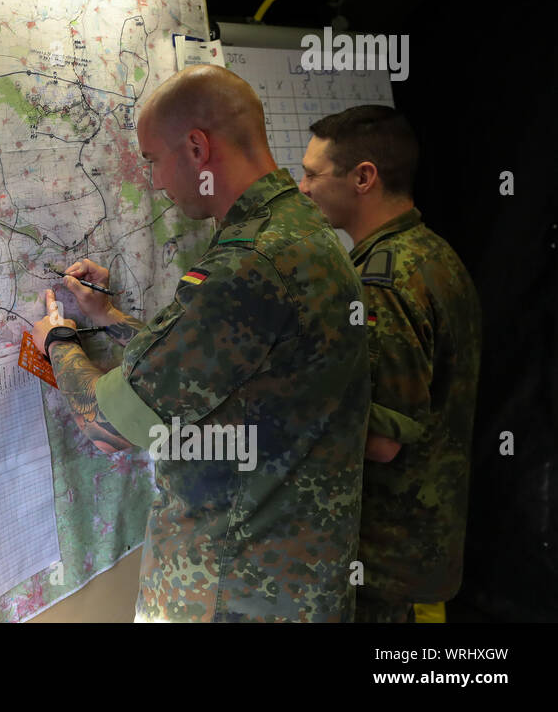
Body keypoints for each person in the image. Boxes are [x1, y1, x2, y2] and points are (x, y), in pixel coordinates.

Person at [31, 64, 369, 622]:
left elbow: (105, 426)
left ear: (196, 148)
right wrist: (109, 316)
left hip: (234, 591)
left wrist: (57, 340)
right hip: (296, 582)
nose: (155, 182)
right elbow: (224, 368)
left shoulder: (249, 265)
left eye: (153, 160)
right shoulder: (299, 230)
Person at [300, 105, 482, 623]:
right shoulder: (432, 253)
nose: (303, 187)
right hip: (419, 554)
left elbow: (381, 440)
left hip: (383, 570)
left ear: (363, 178)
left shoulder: (380, 285)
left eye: (314, 173)